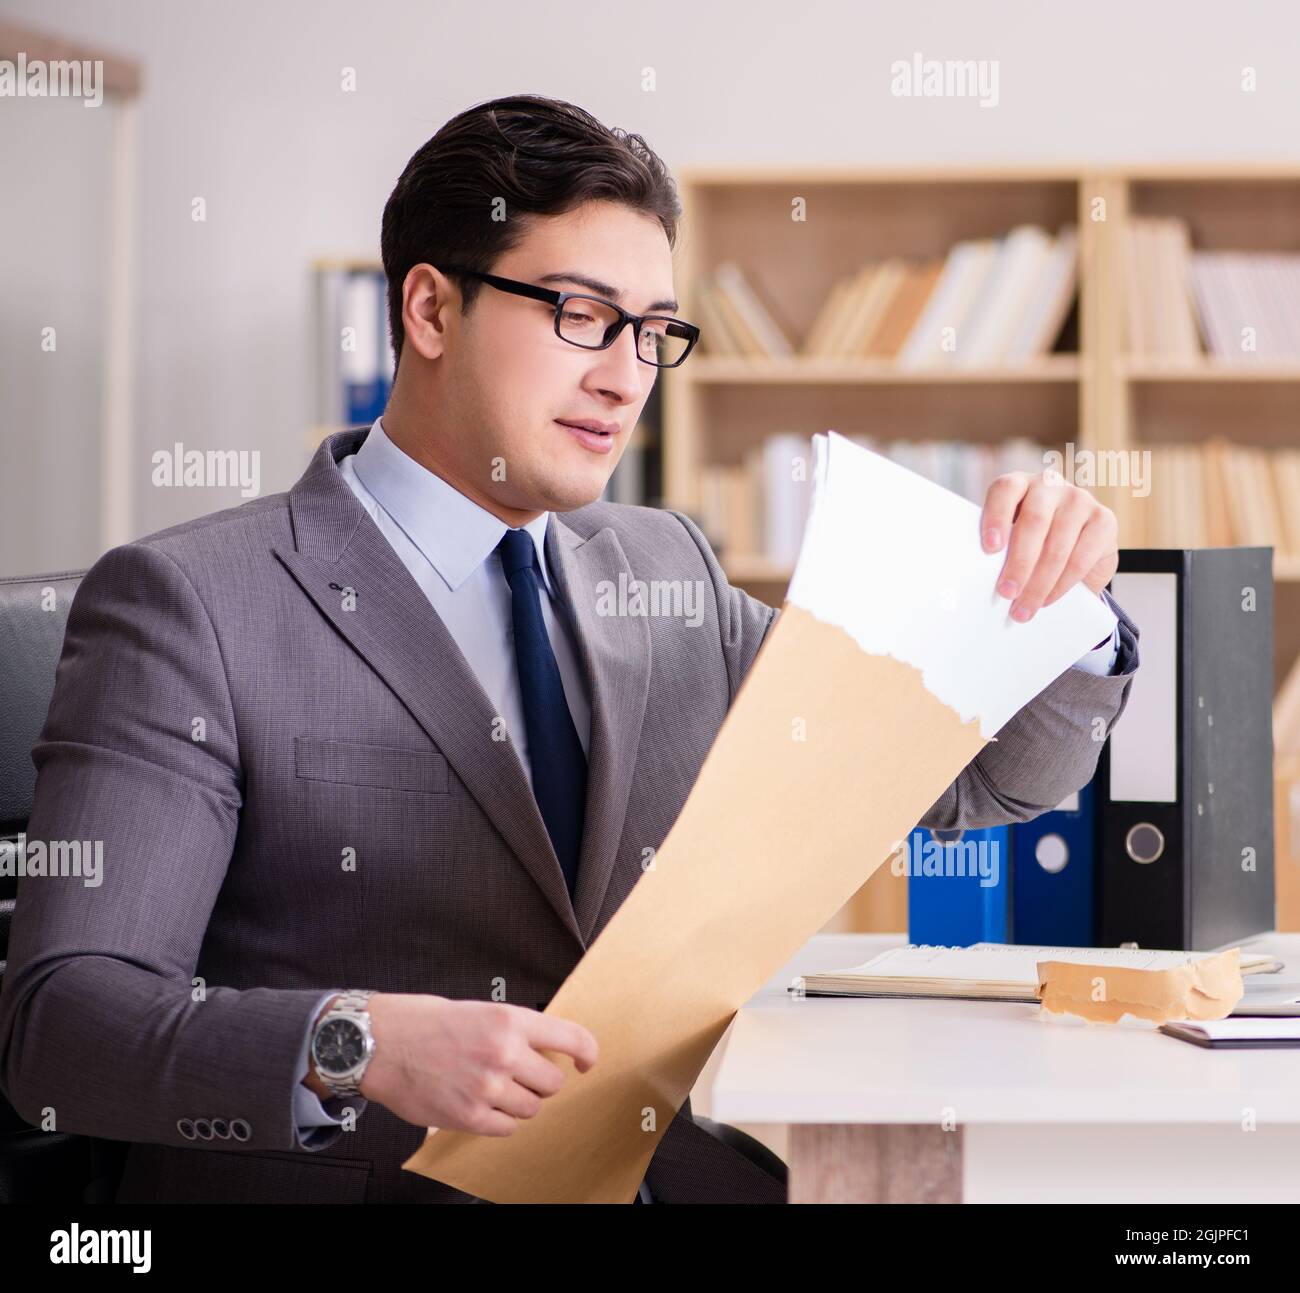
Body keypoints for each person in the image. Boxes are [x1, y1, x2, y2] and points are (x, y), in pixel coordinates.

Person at [0, 94, 1138, 1204]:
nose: (624, 374)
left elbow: (982, 784)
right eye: (580, 316)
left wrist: (1061, 615)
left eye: (652, 332)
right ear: (430, 311)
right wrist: (354, 1044)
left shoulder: (664, 570)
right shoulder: (190, 603)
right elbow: (64, 1024)